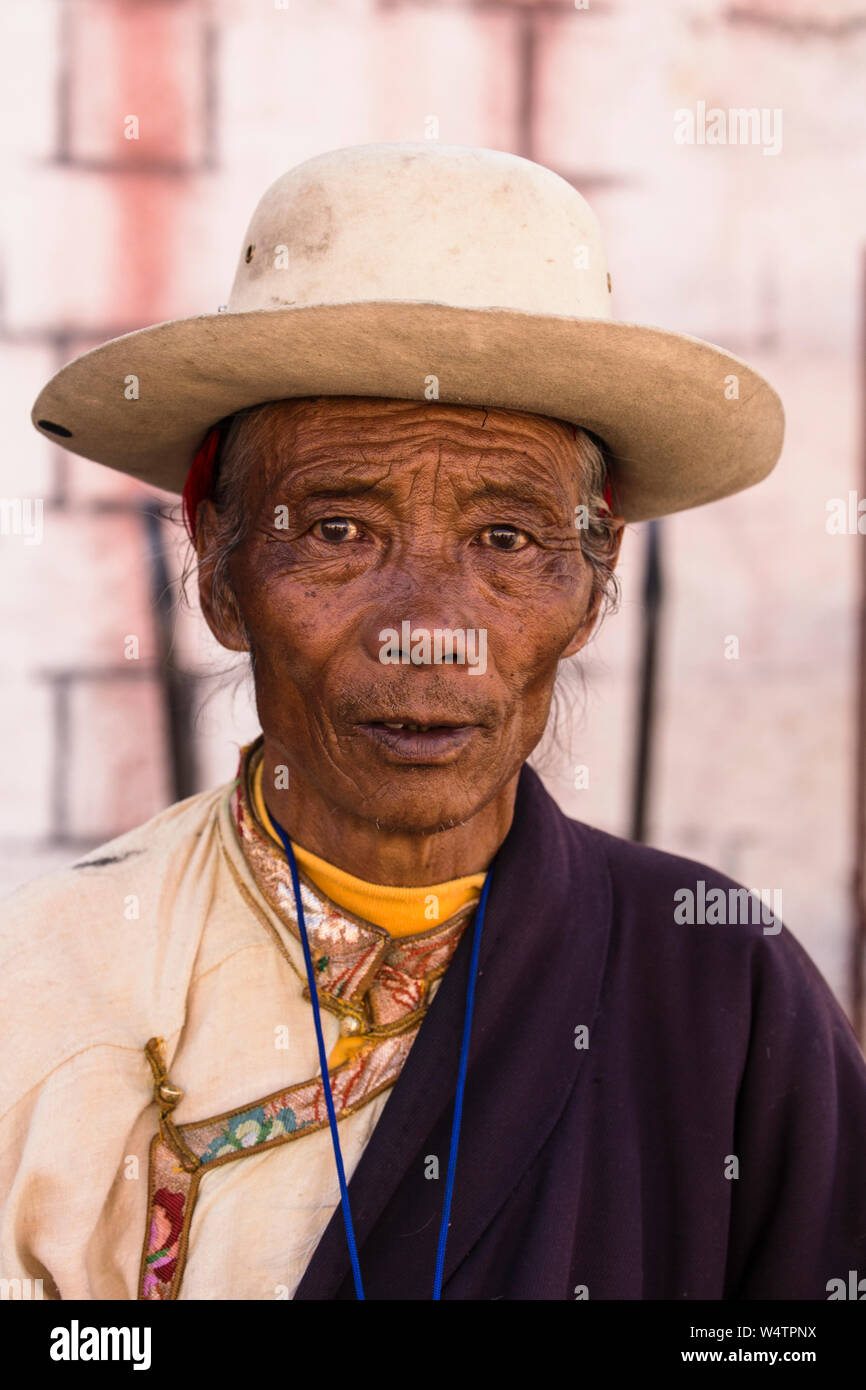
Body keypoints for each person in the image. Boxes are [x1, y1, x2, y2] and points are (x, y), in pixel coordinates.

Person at [3, 141, 864, 1301]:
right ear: (217, 570)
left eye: (506, 540)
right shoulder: (43, 984)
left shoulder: (718, 989)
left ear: (592, 588)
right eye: (338, 532)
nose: (428, 628)